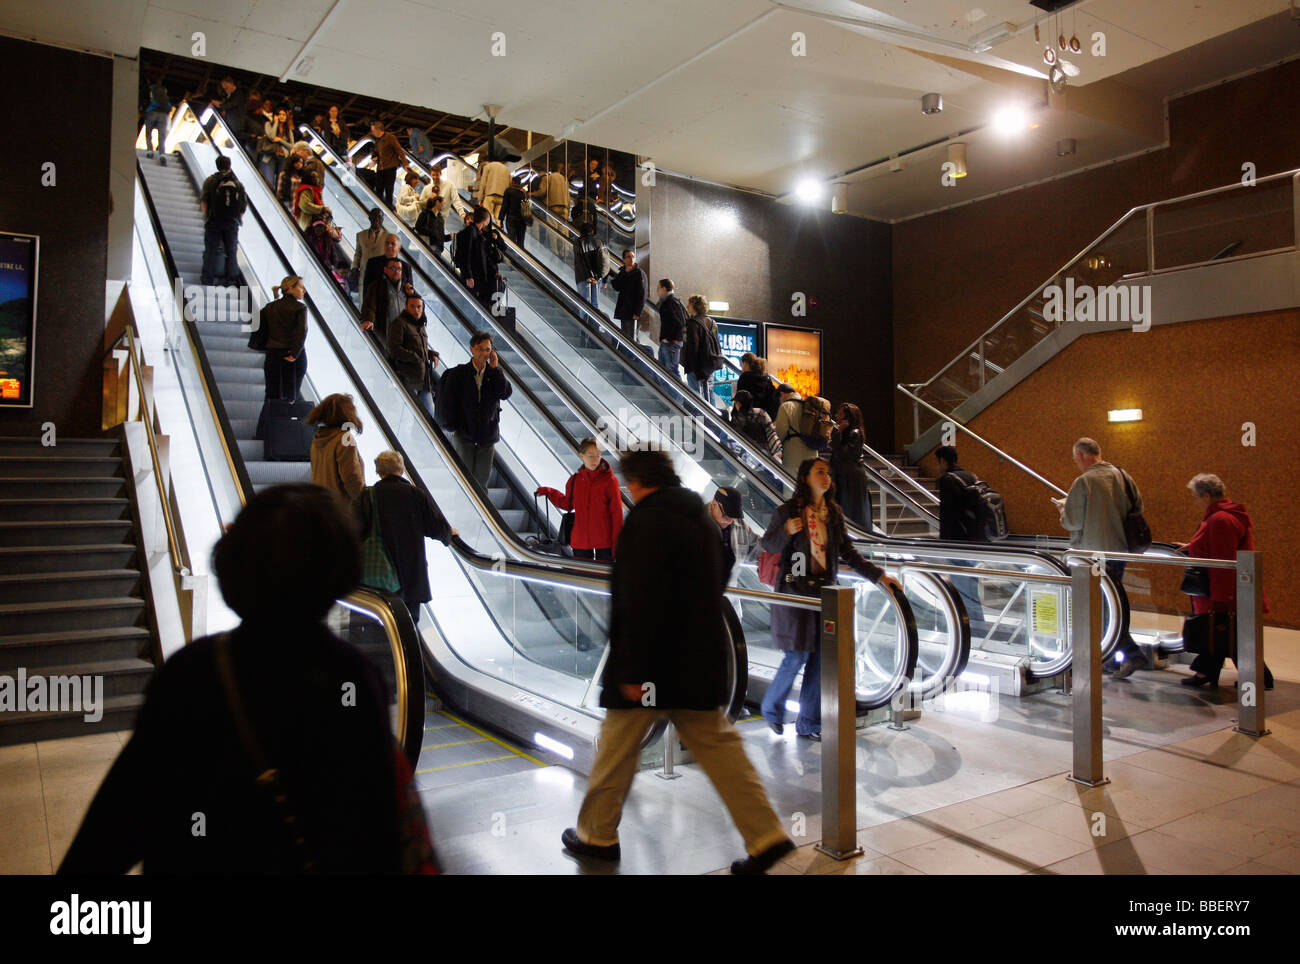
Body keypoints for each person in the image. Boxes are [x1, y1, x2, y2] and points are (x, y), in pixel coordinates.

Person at [58, 485, 435, 874]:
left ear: (236, 565)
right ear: (340, 571)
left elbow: (119, 821)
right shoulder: (353, 676)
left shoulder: (194, 673)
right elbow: (380, 829)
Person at [561, 449, 796, 875]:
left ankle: (597, 835)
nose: (629, 489)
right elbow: (714, 584)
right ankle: (767, 836)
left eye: (629, 482)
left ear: (639, 482)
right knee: (722, 752)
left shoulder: (645, 522)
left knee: (616, 748)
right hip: (697, 661)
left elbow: (635, 601)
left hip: (652, 666)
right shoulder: (700, 519)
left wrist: (631, 673)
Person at [760, 457, 900, 740]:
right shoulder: (788, 511)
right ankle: (772, 707)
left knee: (822, 659)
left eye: (828, 473)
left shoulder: (833, 513)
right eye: (819, 472)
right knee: (797, 654)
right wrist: (787, 531)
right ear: (804, 478)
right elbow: (767, 544)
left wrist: (879, 576)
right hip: (795, 593)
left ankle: (808, 722)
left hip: (826, 594)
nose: (826, 477)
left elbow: (848, 552)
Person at [1056, 437, 1146, 678]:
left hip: (1094, 554)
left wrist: (1064, 508)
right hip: (1120, 550)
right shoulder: (1122, 475)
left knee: (1102, 608)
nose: (1077, 463)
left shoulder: (1084, 481)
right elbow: (1138, 507)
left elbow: (1072, 521)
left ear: (1083, 455)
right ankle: (1112, 658)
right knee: (1112, 602)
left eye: (1076, 458)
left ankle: (1131, 653)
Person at [1178, 474, 1274, 689]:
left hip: (1223, 592)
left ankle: (1257, 677)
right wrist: (1192, 545)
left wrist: (1221, 599)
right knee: (1226, 635)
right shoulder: (1224, 516)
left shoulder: (1220, 519)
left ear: (1207, 495)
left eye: (1197, 497)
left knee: (1225, 633)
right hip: (1230, 590)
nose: (1196, 501)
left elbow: (1223, 561)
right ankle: (1208, 672)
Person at [435, 331, 513, 488]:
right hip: (464, 433)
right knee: (463, 479)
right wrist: (452, 427)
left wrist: (496, 369)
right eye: (480, 349)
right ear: (472, 349)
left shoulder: (494, 374)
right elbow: (448, 403)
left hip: (487, 435)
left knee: (481, 482)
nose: (484, 353)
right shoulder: (458, 374)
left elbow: (505, 393)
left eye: (488, 349)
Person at [535, 438, 623, 561]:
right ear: (581, 456)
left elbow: (617, 513)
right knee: (582, 577)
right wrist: (548, 492)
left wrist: (618, 544)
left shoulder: (610, 481)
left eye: (597, 456)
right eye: (590, 455)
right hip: (581, 539)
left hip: (604, 540)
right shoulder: (575, 480)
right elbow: (567, 504)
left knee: (602, 578)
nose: (594, 459)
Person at [934, 445, 986, 626]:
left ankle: (967, 625)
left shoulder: (947, 480)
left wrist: (944, 545)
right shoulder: (970, 476)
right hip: (974, 540)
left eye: (938, 462)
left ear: (943, 461)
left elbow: (948, 515)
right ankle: (978, 621)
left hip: (956, 541)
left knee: (961, 585)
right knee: (971, 583)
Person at [258, 276, 308, 421]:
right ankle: (285, 429)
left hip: (273, 355)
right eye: (300, 287)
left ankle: (264, 430)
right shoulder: (300, 308)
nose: (303, 290)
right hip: (293, 357)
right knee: (291, 395)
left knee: (271, 395)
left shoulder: (270, 307)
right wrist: (294, 353)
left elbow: (259, 327)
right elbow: (301, 332)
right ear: (290, 289)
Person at [387, 291, 441, 417]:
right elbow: (394, 349)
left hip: (423, 378)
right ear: (406, 307)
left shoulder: (420, 325)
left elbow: (420, 349)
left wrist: (433, 354)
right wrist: (415, 358)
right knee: (407, 415)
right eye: (412, 306)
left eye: (419, 307)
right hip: (408, 377)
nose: (416, 310)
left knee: (429, 414)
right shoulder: (399, 324)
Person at [198, 155, 246, 287]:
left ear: (217, 166)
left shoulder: (211, 180)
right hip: (231, 222)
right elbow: (243, 204)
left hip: (214, 221)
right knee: (231, 251)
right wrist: (238, 218)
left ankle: (207, 279)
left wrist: (206, 218)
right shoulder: (237, 183)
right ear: (229, 166)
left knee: (211, 250)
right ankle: (231, 279)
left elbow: (204, 200)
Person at [307, 394, 365, 500]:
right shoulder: (344, 440)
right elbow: (351, 478)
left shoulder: (318, 438)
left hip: (320, 502)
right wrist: (363, 499)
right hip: (340, 507)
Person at [830, 403, 873, 531]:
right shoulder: (850, 432)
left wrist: (838, 433)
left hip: (849, 476)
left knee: (850, 507)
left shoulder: (854, 433)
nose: (837, 416)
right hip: (845, 474)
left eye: (840, 413)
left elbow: (842, 453)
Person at [453, 206, 503, 311]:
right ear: (485, 219)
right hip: (474, 278)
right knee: (473, 306)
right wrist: (468, 276)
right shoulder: (470, 232)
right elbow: (466, 255)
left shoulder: (476, 232)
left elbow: (483, 257)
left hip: (479, 277)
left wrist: (493, 272)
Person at [361, 257, 408, 351]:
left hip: (404, 334)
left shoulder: (407, 288)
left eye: (399, 269)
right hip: (385, 332)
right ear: (385, 270)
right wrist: (368, 319)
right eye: (393, 268)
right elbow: (369, 305)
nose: (396, 271)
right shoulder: (376, 286)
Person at [681, 294, 720, 401]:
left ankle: (700, 417)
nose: (687, 306)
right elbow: (716, 344)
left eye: (689, 304)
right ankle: (713, 417)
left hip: (696, 368)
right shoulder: (712, 322)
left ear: (694, 306)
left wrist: (697, 371)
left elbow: (693, 348)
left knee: (696, 397)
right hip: (709, 365)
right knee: (709, 394)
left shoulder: (692, 324)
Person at [773, 384, 819, 474]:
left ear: (782, 394)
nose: (780, 401)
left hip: (794, 455)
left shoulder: (786, 406)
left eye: (779, 399)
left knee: (793, 483)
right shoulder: (808, 405)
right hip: (812, 452)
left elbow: (780, 432)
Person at [709, 485, 752, 581]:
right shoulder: (697, 524)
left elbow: (757, 549)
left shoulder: (741, 526)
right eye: (725, 515)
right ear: (714, 503)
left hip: (730, 591)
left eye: (733, 516)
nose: (729, 521)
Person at [608, 249, 647, 342]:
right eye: (628, 257)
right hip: (624, 309)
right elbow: (617, 287)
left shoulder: (639, 273)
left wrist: (638, 312)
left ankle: (635, 355)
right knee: (624, 335)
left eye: (632, 256)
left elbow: (642, 294)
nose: (631, 259)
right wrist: (622, 274)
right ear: (624, 259)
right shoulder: (622, 272)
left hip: (633, 310)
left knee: (632, 336)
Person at [368, 120, 409, 207]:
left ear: (378, 130)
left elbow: (399, 151)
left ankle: (388, 208)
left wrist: (405, 164)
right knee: (379, 189)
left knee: (389, 190)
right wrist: (375, 157)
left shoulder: (390, 138)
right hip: (380, 168)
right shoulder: (377, 140)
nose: (372, 132)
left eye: (373, 130)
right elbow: (378, 152)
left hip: (390, 168)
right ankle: (378, 208)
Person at [730, 390, 781, 459]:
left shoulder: (737, 418)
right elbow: (771, 433)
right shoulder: (761, 413)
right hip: (764, 452)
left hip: (747, 454)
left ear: (739, 403)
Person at [351, 208, 388, 296]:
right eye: (374, 217)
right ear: (369, 218)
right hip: (364, 273)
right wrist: (354, 267)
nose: (376, 220)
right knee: (364, 299)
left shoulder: (388, 236)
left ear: (382, 219)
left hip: (380, 274)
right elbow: (358, 254)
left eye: (379, 217)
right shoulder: (360, 235)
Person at [537, 167, 572, 256]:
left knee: (553, 229)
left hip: (553, 206)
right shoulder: (565, 180)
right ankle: (564, 252)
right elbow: (568, 195)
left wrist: (531, 194)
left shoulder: (548, 178)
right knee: (563, 230)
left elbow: (542, 192)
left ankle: (554, 251)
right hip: (564, 207)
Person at [572, 221, 608, 309]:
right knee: (594, 304)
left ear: (580, 232)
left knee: (584, 305)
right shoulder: (599, 242)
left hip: (583, 278)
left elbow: (580, 260)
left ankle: (584, 322)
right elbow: (605, 260)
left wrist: (587, 276)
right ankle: (593, 322)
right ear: (592, 231)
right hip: (597, 278)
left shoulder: (577, 242)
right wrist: (603, 279)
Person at [656, 279, 686, 376]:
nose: (657, 291)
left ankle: (676, 391)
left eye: (658, 288)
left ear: (664, 289)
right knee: (665, 371)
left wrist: (668, 338)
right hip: (669, 342)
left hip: (671, 343)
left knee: (671, 372)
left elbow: (679, 322)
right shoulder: (669, 301)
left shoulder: (670, 302)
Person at [258, 106, 294, 187]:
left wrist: (280, 140)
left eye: (284, 115)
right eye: (279, 114)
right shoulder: (268, 124)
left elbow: (292, 147)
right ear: (275, 115)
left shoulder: (288, 130)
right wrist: (276, 123)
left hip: (283, 157)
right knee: (269, 182)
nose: (281, 116)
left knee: (280, 183)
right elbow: (271, 136)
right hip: (270, 156)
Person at [737, 353, 779, 419]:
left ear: (745, 363)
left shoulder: (744, 378)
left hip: (749, 417)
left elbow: (740, 397)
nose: (741, 367)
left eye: (742, 364)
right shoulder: (766, 378)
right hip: (764, 417)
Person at [474, 157, 511, 224]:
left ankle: (489, 232)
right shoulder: (506, 169)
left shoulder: (488, 167)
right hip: (502, 197)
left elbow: (483, 183)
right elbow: (509, 184)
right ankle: (499, 232)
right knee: (498, 218)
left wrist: (480, 199)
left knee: (488, 217)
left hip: (490, 195)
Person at [142, 80, 171, 159]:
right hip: (163, 114)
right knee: (162, 135)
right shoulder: (163, 91)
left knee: (148, 133)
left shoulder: (150, 89)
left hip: (152, 112)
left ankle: (150, 151)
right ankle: (162, 153)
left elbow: (145, 100)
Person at [502, 176, 530, 247]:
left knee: (512, 240)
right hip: (522, 221)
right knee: (521, 242)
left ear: (513, 182)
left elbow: (505, 205)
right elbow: (526, 208)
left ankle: (513, 256)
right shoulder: (523, 193)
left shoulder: (508, 191)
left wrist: (501, 218)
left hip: (511, 219)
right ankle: (521, 256)